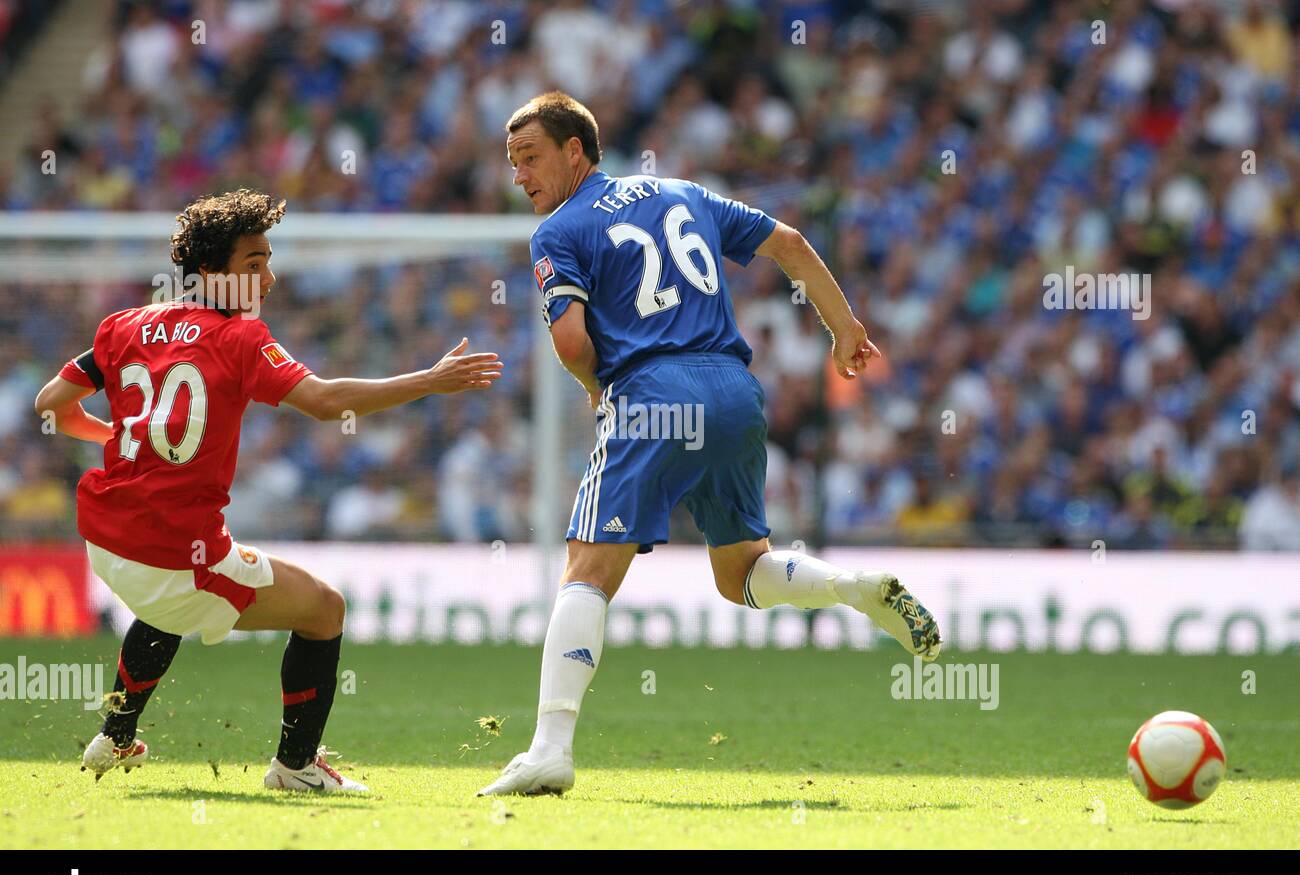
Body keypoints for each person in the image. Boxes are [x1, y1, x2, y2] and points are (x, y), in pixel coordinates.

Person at [478, 93, 941, 797]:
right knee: (741, 572)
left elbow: (571, 340)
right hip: (733, 390)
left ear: (576, 151)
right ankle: (847, 587)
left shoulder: (559, 230)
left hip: (654, 393)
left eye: (531, 157)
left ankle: (549, 747)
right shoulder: (684, 193)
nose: (520, 176)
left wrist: (597, 387)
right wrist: (844, 329)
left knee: (588, 568)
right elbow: (791, 243)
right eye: (513, 162)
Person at [35, 189, 502, 791]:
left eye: (268, 261)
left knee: (167, 605)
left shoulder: (122, 325)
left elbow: (52, 404)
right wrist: (430, 381)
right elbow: (327, 403)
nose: (270, 278)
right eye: (253, 264)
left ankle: (116, 735)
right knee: (324, 609)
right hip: (178, 554)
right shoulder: (241, 339)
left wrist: (123, 436)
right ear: (210, 274)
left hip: (104, 540)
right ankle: (295, 768)